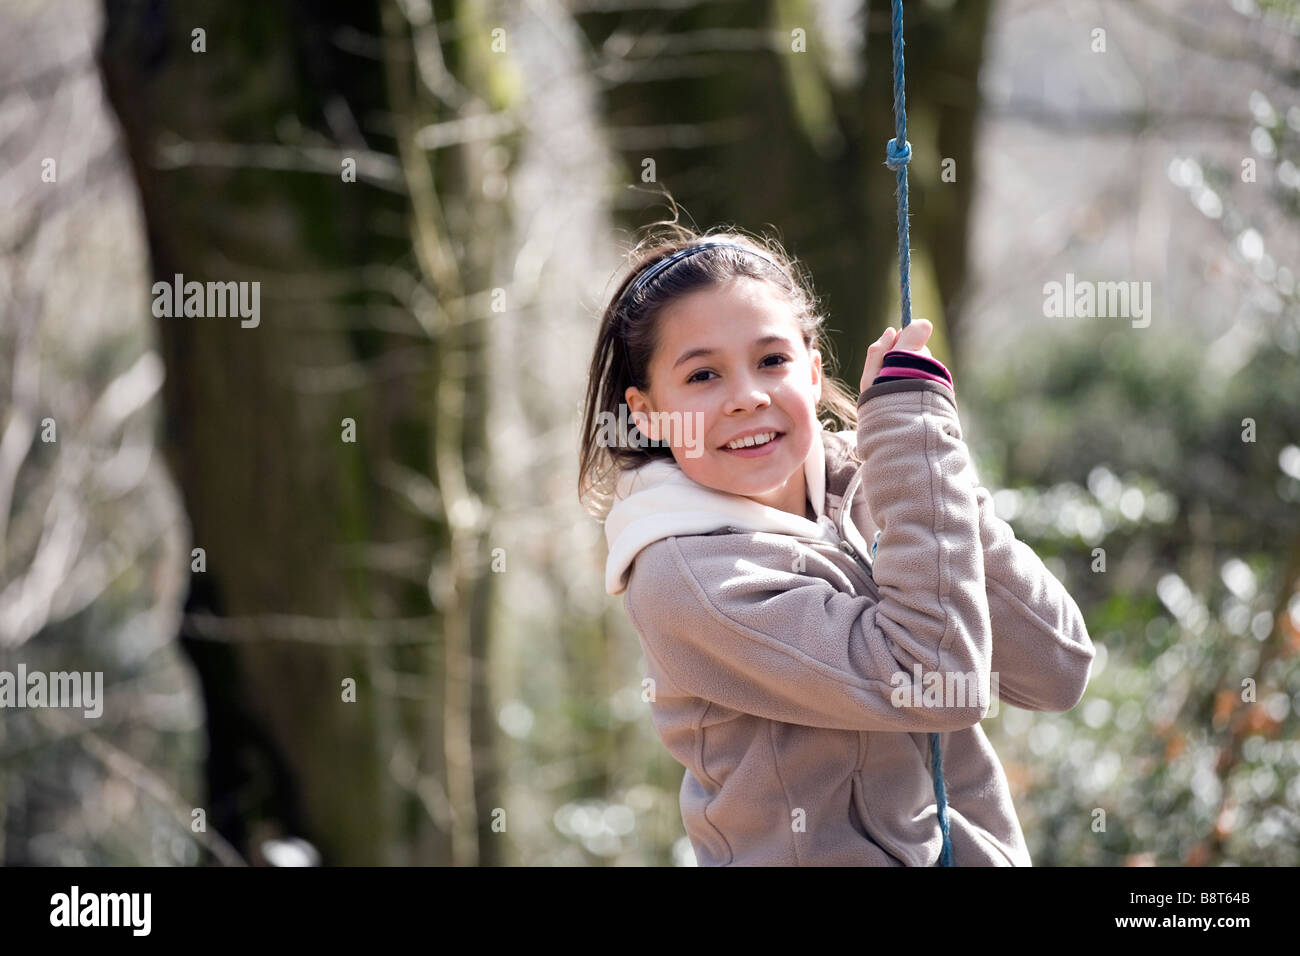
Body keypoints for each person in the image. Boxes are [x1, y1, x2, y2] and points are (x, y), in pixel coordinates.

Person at [577, 225, 1096, 866]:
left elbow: (1057, 668)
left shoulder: (881, 475)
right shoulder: (686, 578)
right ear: (649, 412)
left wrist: (928, 465)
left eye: (772, 361)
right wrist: (913, 452)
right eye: (704, 374)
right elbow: (938, 680)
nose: (748, 397)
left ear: (815, 368)